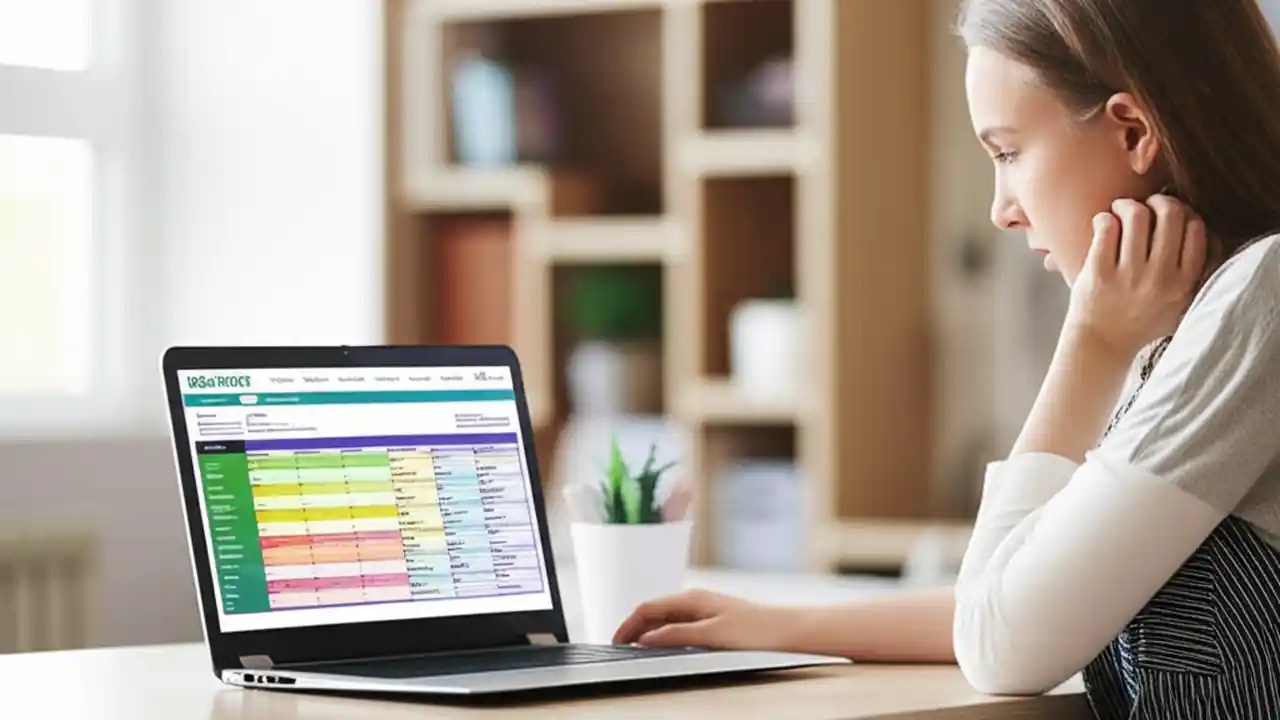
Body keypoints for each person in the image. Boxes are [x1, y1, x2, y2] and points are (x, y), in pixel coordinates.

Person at [613, 0, 1280, 716]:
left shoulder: (1259, 297)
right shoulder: (1190, 313)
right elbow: (1019, 594)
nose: (1002, 208)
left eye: (1008, 153)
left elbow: (1003, 644)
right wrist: (782, 626)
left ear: (1133, 129)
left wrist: (1090, 346)